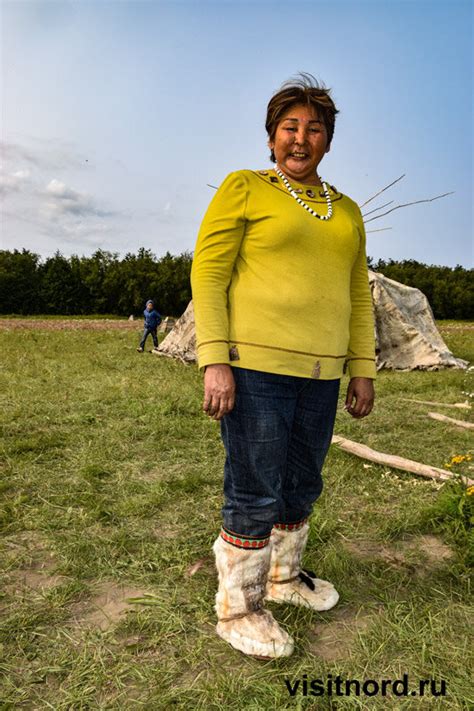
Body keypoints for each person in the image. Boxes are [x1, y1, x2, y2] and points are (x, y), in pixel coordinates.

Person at [190, 73, 376, 659]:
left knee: (302, 482)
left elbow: (359, 294)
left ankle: (283, 578)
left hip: (322, 375)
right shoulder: (245, 187)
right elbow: (210, 273)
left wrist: (362, 366)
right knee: (255, 487)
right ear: (272, 138)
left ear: (328, 141)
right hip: (255, 369)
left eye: (313, 128)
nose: (301, 138)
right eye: (289, 127)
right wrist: (214, 360)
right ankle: (238, 609)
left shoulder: (346, 210)